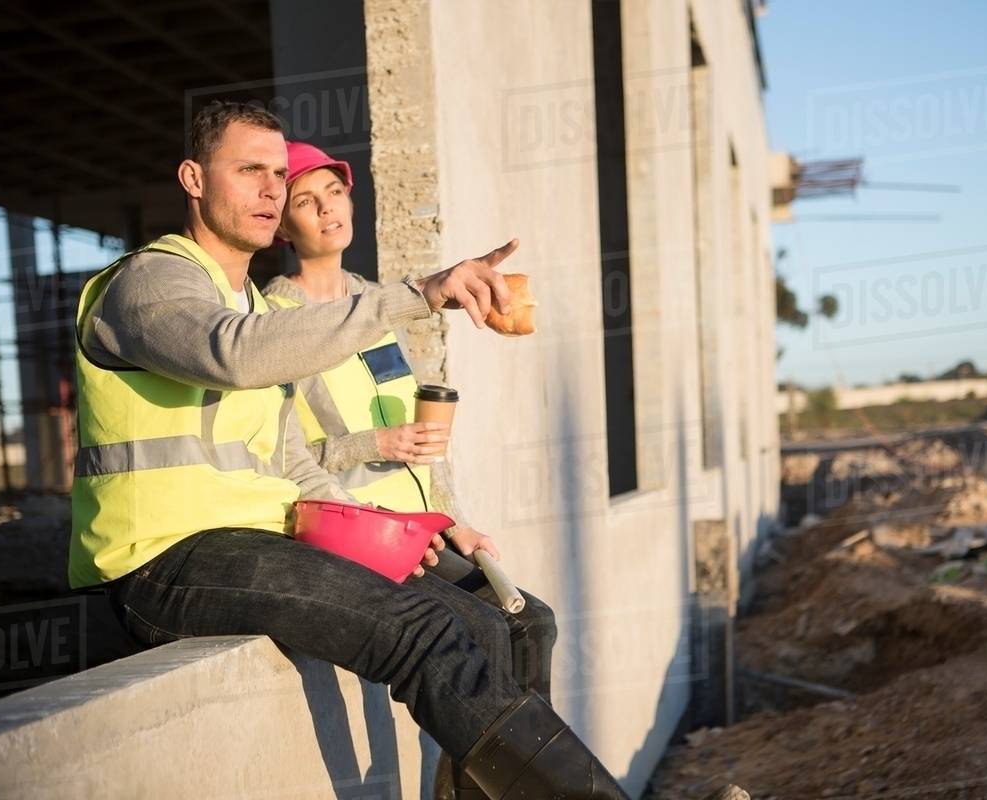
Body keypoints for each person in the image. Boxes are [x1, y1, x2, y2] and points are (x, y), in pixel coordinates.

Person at [71, 101, 628, 799]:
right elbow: (235, 357)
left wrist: (381, 531)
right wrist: (419, 294)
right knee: (421, 630)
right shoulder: (150, 281)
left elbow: (291, 459)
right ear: (192, 177)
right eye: (250, 171)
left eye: (279, 174)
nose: (271, 190)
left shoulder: (252, 306)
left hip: (257, 539)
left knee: (489, 624)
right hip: (160, 557)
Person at [263, 141, 558, 798]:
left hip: (420, 531)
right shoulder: (276, 320)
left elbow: (422, 438)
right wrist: (374, 443)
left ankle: (492, 788)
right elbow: (286, 459)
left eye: (333, 193)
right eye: (305, 202)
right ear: (283, 226)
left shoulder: (375, 301)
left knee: (530, 622)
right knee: (503, 628)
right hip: (357, 535)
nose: (326, 210)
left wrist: (455, 521)